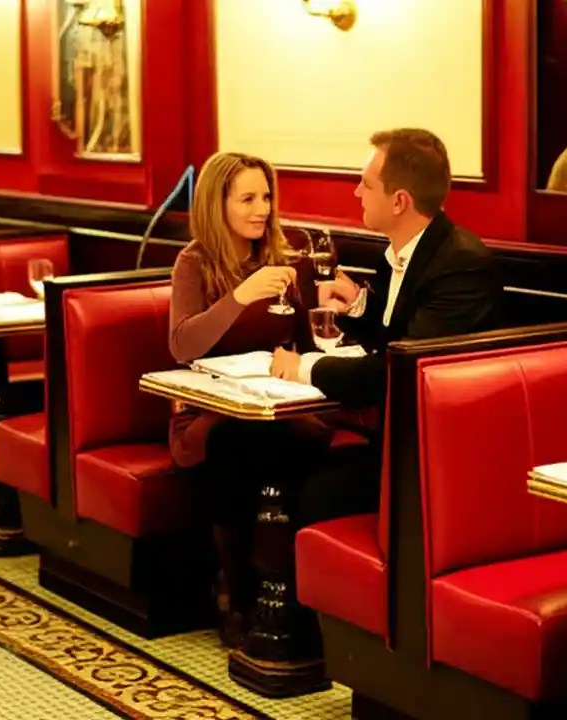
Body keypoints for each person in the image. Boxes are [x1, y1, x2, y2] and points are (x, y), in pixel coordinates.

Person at [270, 128, 502, 525]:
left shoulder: (461, 265)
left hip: (437, 457)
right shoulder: (401, 250)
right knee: (277, 459)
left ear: (399, 201)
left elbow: (402, 367)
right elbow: (397, 333)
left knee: (312, 491)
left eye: (366, 184)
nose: (357, 192)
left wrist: (304, 368)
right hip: (398, 440)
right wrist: (360, 303)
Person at [167, 151, 330, 647]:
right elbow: (182, 345)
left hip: (277, 410)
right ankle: (239, 593)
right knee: (239, 449)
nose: (262, 209)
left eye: (266, 197)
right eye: (248, 199)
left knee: (308, 445)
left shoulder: (286, 260)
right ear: (219, 205)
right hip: (209, 415)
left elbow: (304, 344)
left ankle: (290, 597)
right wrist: (240, 297)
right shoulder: (193, 263)